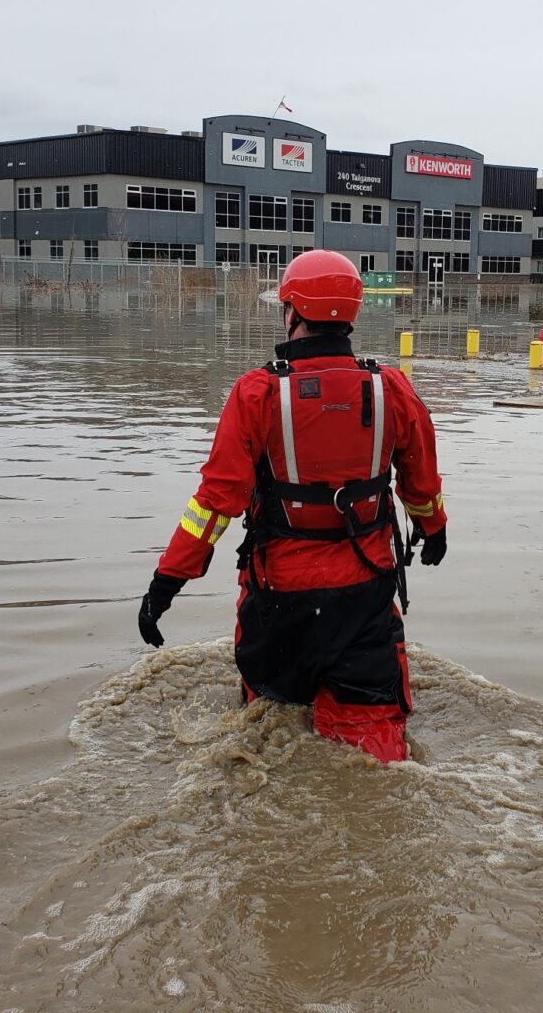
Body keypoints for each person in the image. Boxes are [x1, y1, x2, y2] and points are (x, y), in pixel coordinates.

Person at [136, 250, 448, 762]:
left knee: (265, 736)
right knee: (374, 751)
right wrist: (433, 529)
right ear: (352, 313)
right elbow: (421, 480)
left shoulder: (256, 393)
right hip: (363, 600)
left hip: (279, 600)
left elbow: (215, 504)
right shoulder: (390, 387)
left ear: (291, 311)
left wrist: (166, 582)